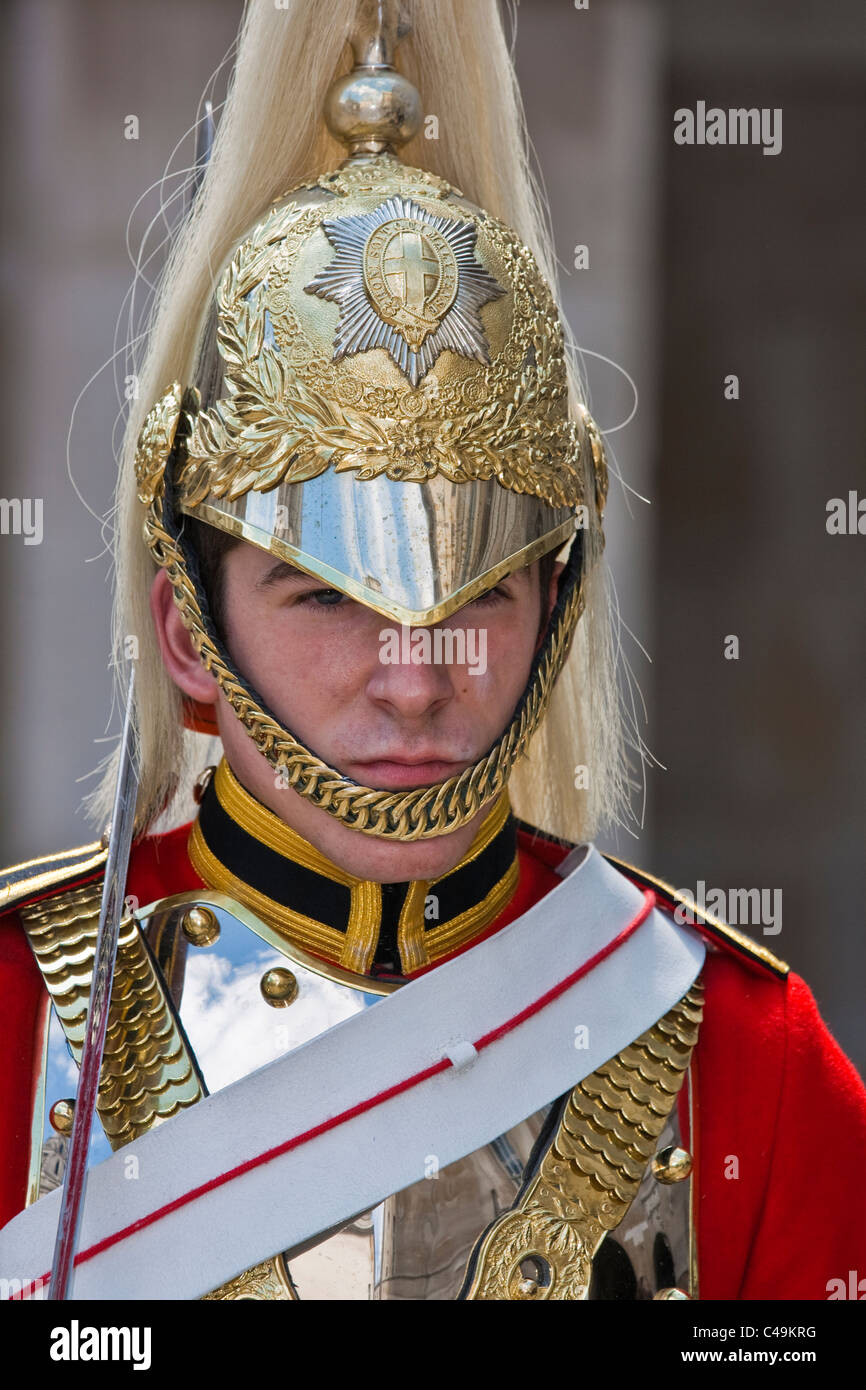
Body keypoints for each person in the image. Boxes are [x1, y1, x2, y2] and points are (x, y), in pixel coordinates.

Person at [1, 0, 864, 1302]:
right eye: (326, 598)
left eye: (477, 593)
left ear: (557, 600)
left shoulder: (745, 1058)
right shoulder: (16, 1018)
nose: (412, 679)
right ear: (187, 629)